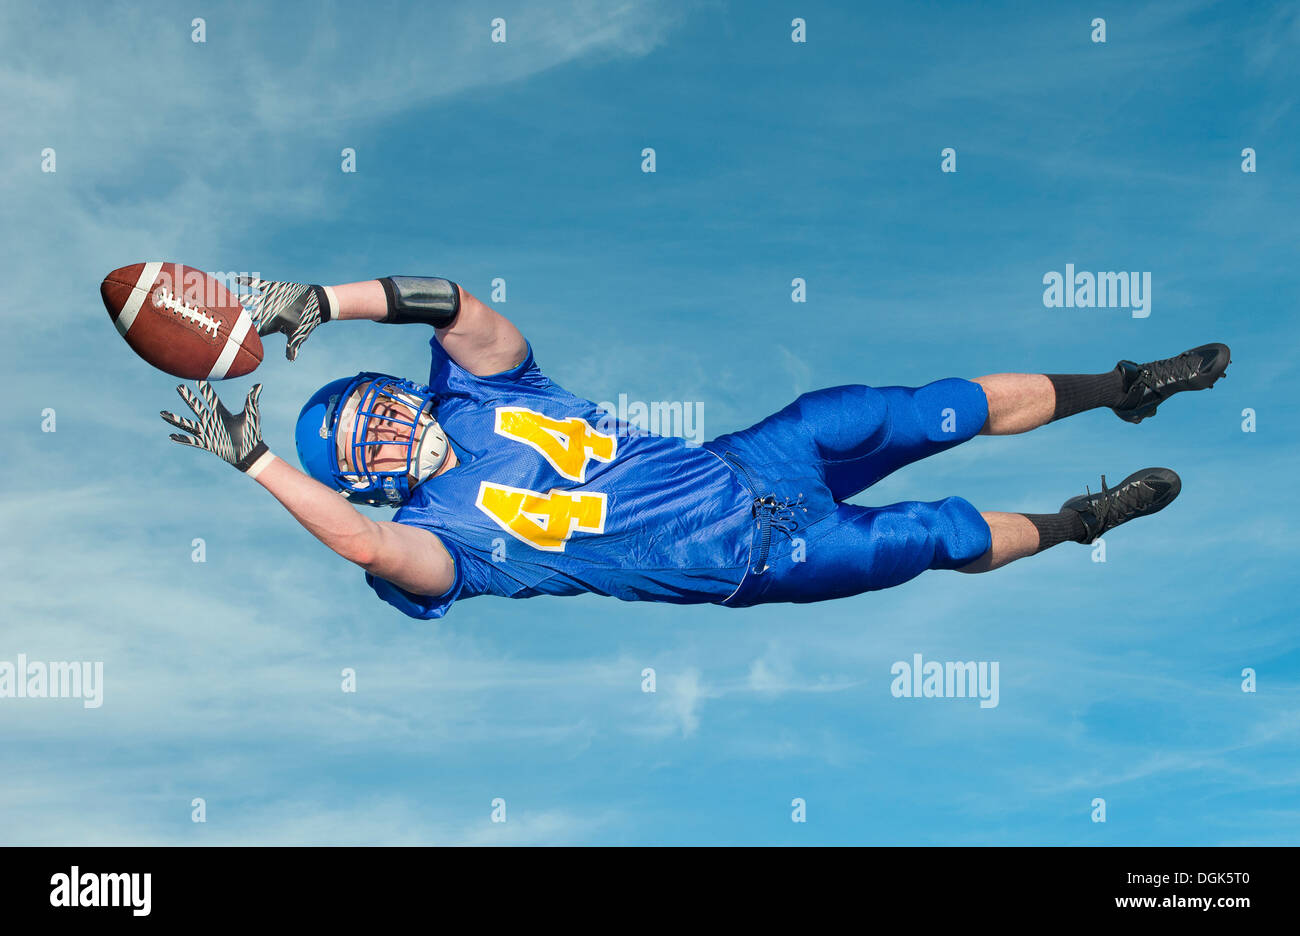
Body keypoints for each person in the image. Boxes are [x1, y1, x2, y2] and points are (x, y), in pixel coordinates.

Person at [160, 274, 1230, 619]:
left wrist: (327, 302)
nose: (391, 419)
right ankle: (1083, 519)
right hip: (759, 561)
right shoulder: (445, 540)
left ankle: (1123, 388)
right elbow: (368, 551)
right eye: (367, 433)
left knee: (916, 404)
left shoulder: (484, 393)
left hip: (755, 461)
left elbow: (458, 308)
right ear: (367, 475)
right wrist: (259, 464)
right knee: (942, 534)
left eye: (378, 401)